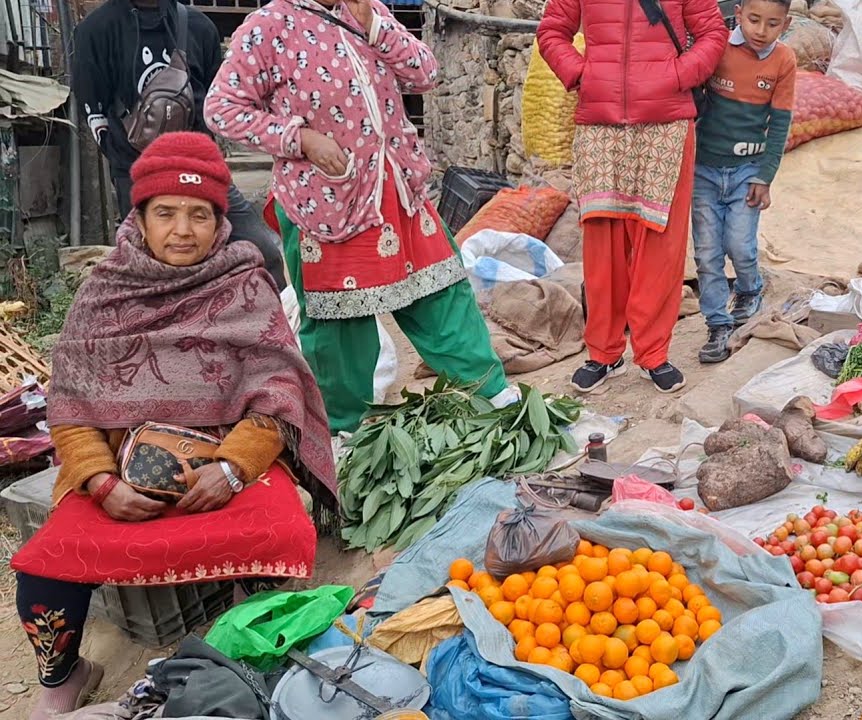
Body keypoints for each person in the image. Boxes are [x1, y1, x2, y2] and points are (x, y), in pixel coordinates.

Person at [10, 133, 336, 720]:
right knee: (46, 563)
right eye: (165, 213)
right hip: (119, 475)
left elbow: (277, 396)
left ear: (220, 222)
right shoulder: (103, 292)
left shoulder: (245, 284)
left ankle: (244, 632)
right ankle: (65, 673)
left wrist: (232, 470)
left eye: (198, 215)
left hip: (225, 467)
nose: (182, 230)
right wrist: (103, 484)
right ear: (139, 217)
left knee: (276, 532)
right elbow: (73, 409)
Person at [204, 0, 510, 434]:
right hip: (326, 199)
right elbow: (222, 109)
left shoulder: (371, 12)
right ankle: (342, 433)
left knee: (441, 293)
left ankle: (493, 397)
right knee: (340, 325)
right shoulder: (269, 25)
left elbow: (425, 74)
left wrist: (373, 25)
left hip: (397, 189)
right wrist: (300, 138)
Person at [538, 0, 729, 394]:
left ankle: (653, 354)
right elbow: (552, 31)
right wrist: (580, 74)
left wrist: (677, 75)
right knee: (602, 241)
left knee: (660, 241)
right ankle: (604, 353)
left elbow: (713, 33)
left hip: (667, 123)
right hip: (599, 124)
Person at [71, 0, 289, 291]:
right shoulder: (96, 29)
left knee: (263, 252)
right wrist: (122, 159)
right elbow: (92, 105)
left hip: (201, 167)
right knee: (151, 272)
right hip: (139, 172)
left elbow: (218, 100)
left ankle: (270, 328)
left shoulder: (199, 27)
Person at [691, 0, 795, 363]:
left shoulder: (784, 60)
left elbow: (780, 123)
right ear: (738, 14)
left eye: (771, 23)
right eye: (753, 20)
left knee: (740, 245)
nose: (760, 30)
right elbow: (692, 94)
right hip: (703, 169)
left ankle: (750, 289)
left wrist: (765, 176)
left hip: (746, 172)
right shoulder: (716, 46)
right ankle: (717, 323)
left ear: (786, 23)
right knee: (706, 253)